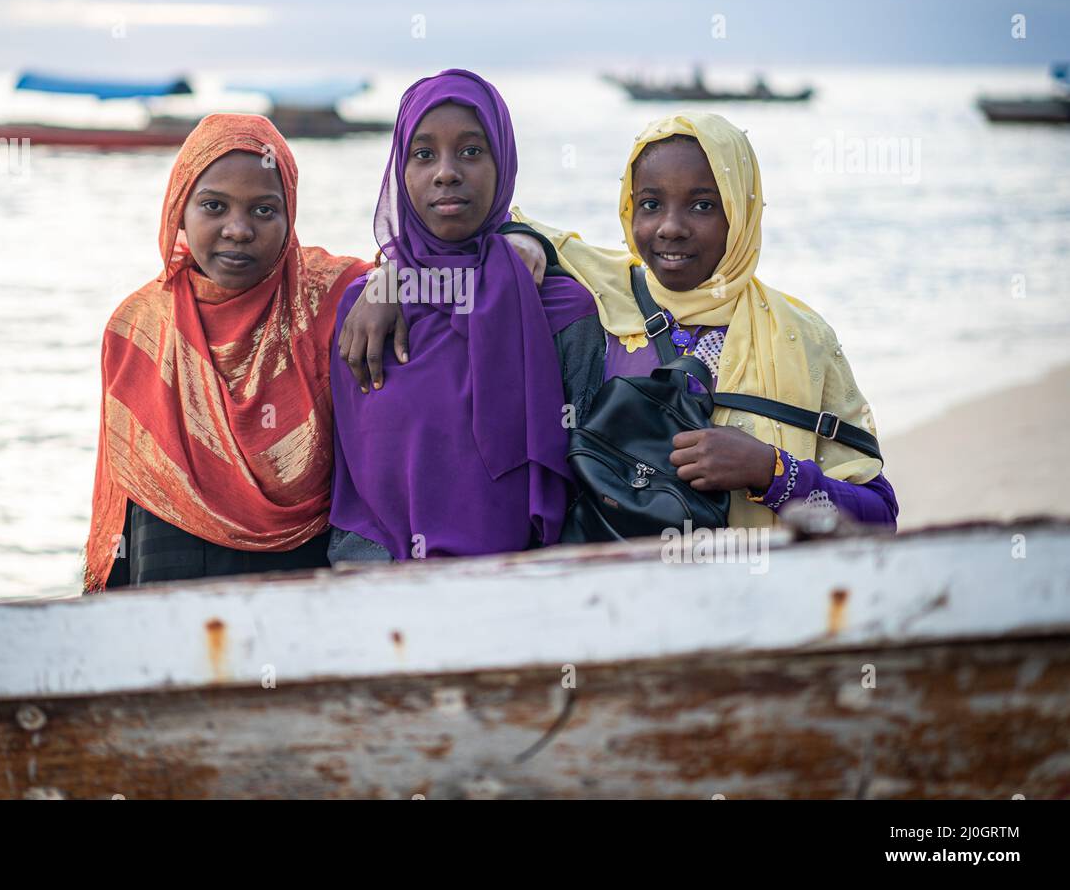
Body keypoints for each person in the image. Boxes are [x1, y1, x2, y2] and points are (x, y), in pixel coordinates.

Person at [341, 112, 897, 530]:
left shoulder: (804, 338)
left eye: (703, 205)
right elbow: (471, 240)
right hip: (611, 611)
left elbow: (878, 517)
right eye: (650, 204)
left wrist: (771, 472)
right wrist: (389, 279)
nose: (670, 228)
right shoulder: (598, 289)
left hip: (764, 616)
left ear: (743, 208)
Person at [82, 113, 371, 592]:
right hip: (165, 582)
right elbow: (124, 493)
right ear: (180, 209)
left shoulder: (333, 297)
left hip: (297, 586)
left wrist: (525, 244)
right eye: (214, 206)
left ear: (289, 213)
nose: (238, 229)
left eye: (263, 210)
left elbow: (426, 260)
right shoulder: (136, 328)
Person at [327, 69, 603, 564]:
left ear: (504, 164)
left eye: (472, 152)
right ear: (399, 169)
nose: (446, 172)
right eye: (423, 154)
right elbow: (354, 481)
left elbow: (587, 466)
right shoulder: (364, 309)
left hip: (528, 586)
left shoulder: (559, 308)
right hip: (383, 588)